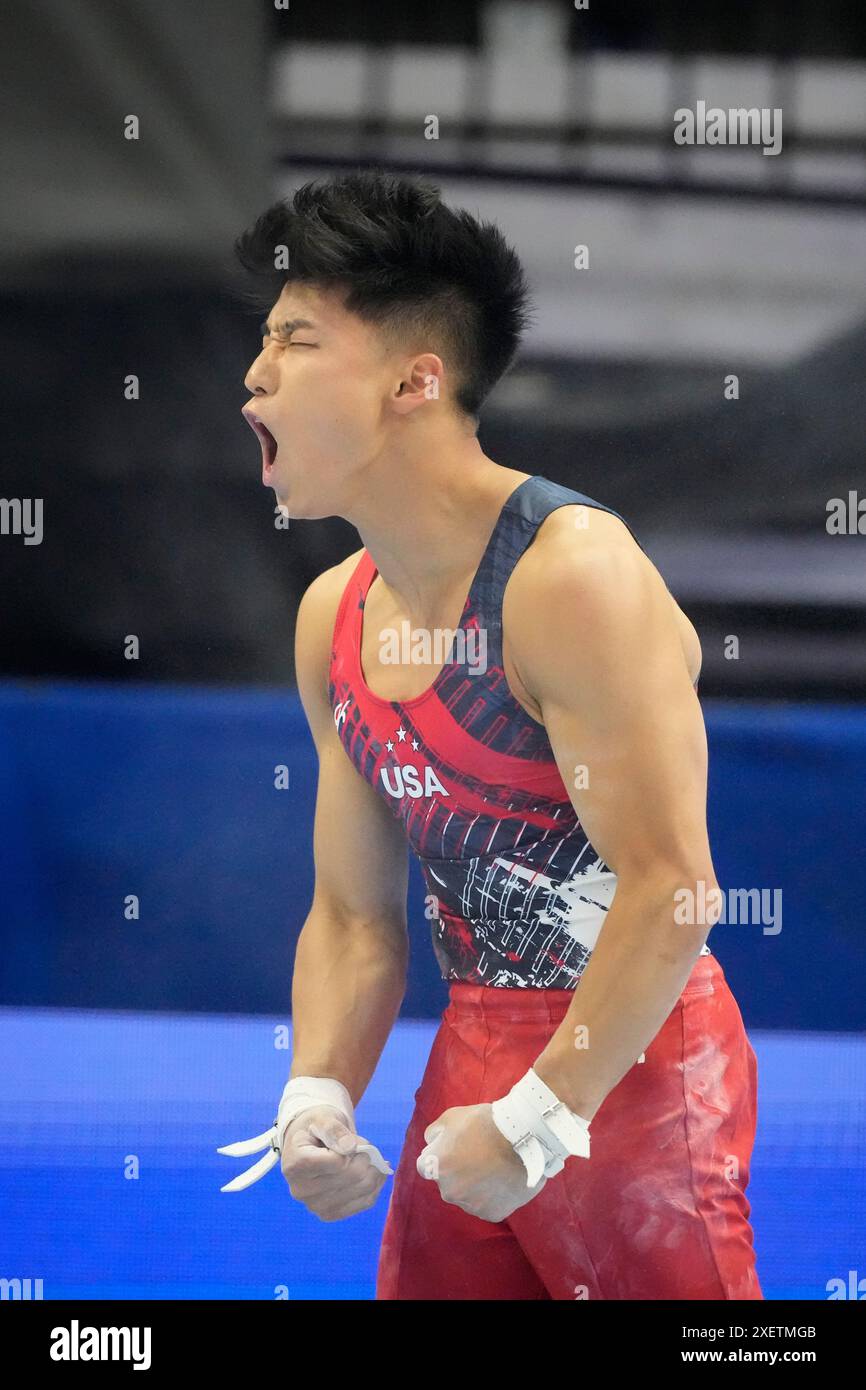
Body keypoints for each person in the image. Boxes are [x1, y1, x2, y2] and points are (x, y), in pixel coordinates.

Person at [218, 169, 762, 1300]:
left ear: (414, 380)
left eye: (295, 342)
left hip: (633, 1066)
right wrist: (314, 1096)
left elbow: (672, 891)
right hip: (470, 1050)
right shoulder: (335, 614)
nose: (253, 376)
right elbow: (355, 917)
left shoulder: (570, 577)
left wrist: (541, 1116)